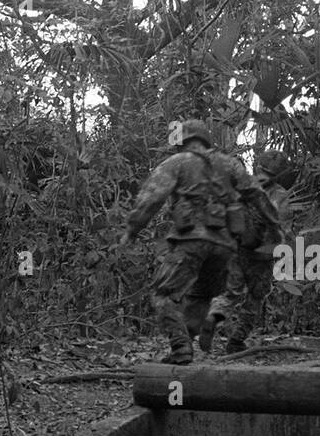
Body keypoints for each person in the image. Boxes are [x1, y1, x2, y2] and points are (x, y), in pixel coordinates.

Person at [120, 120, 271, 364]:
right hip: (225, 246)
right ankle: (186, 347)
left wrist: (131, 229)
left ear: (182, 140)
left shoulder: (178, 162)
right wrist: (274, 224)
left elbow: (152, 197)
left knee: (162, 295)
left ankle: (180, 346)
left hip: (192, 240)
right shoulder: (230, 163)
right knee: (201, 295)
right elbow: (257, 194)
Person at [202, 149, 294, 355]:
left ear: (258, 165)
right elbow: (283, 228)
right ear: (279, 173)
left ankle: (214, 315)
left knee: (230, 293)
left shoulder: (244, 185)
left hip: (237, 249)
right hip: (262, 256)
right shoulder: (280, 194)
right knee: (255, 298)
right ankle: (236, 341)